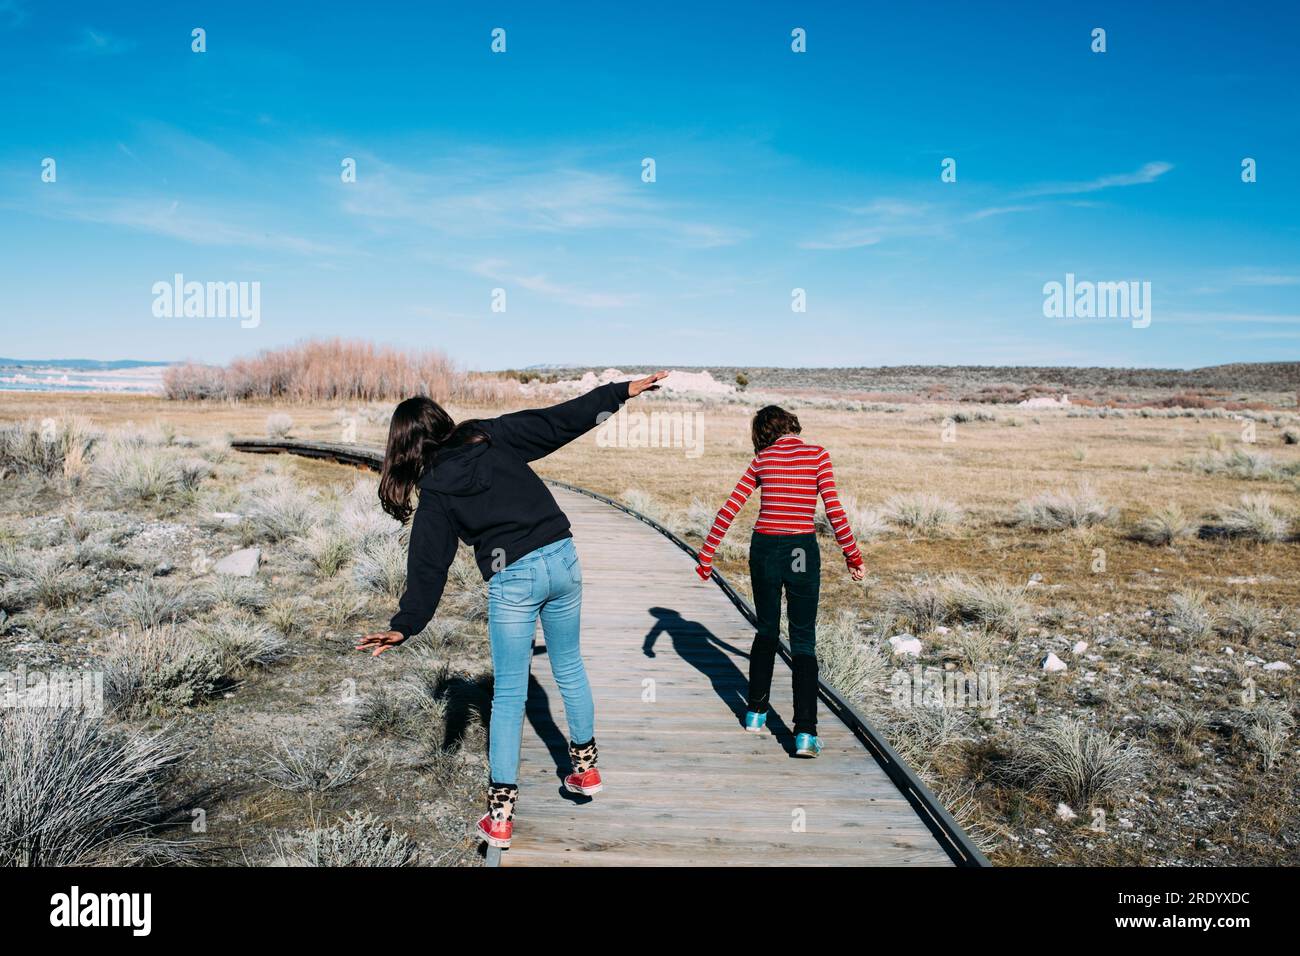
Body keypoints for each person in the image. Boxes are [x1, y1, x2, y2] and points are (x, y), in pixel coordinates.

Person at [358, 370, 668, 848]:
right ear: (443, 422)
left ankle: (500, 817)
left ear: (404, 447)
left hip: (515, 579)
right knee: (569, 664)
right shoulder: (488, 434)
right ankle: (584, 771)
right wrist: (617, 393)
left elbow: (428, 565)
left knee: (507, 694)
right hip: (563, 557)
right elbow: (556, 421)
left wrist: (405, 626)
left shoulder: (436, 490)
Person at [694, 405, 864, 757]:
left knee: (767, 630)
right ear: (792, 425)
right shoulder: (818, 455)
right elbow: (833, 509)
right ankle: (804, 733)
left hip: (765, 548)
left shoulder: (762, 460)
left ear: (763, 433)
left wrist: (707, 555)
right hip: (801, 549)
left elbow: (731, 506)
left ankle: (755, 713)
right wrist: (853, 557)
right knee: (803, 639)